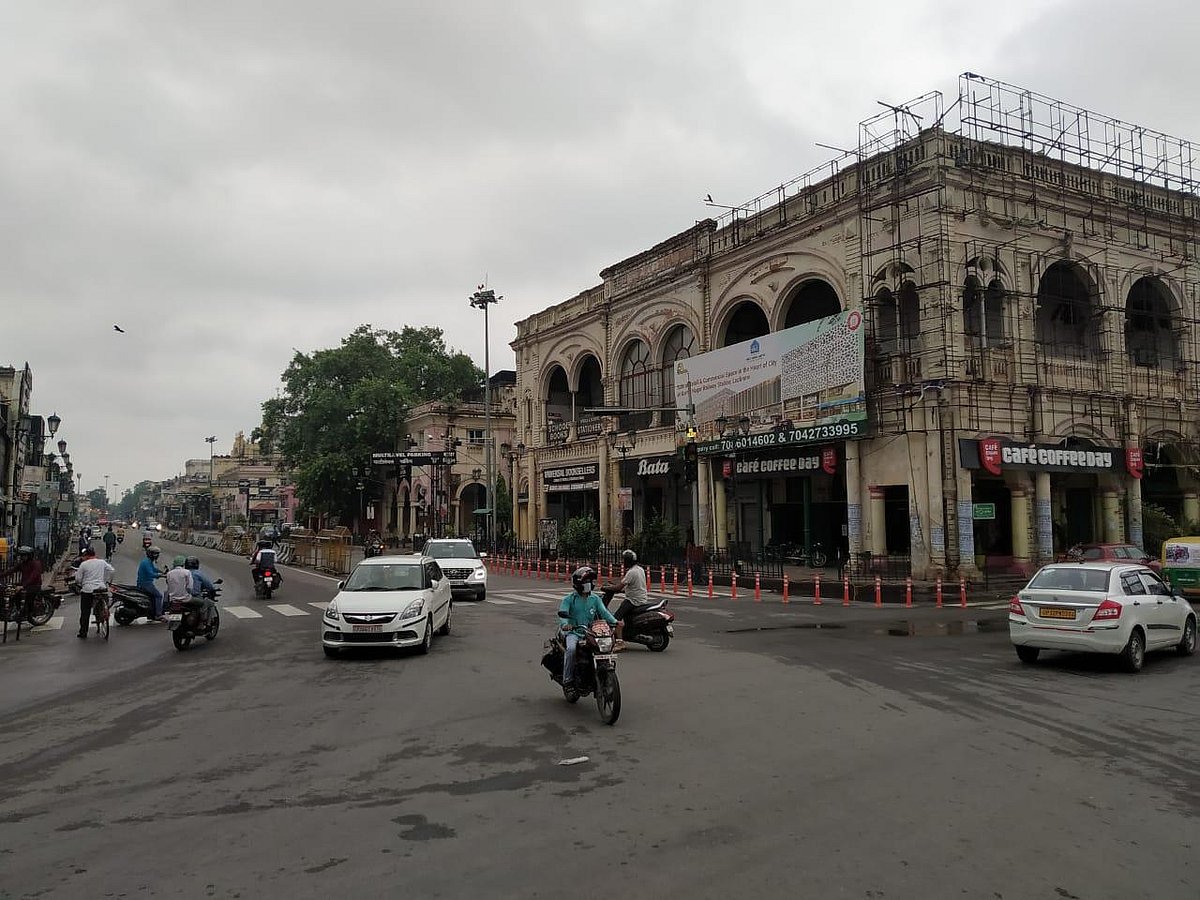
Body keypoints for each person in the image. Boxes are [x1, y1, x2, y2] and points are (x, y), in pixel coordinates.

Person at [557, 565, 618, 699]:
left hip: (590, 632)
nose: (589, 584)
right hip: (574, 633)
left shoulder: (595, 599)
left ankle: (602, 678)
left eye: (590, 581)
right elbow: (562, 615)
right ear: (578, 584)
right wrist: (566, 625)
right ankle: (568, 681)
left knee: (603, 650)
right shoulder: (569, 599)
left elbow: (604, 612)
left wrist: (615, 621)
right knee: (571, 649)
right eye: (586, 582)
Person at [604, 549, 648, 651]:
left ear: (628, 561)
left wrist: (607, 588)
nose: (622, 562)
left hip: (633, 600)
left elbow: (619, 587)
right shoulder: (639, 569)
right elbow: (633, 586)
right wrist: (621, 590)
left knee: (616, 619)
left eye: (624, 560)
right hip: (640, 598)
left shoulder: (631, 572)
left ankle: (620, 642)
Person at [74, 546, 114, 638]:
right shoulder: (102, 562)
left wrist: (81, 583)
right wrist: (109, 582)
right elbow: (112, 570)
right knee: (105, 604)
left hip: (88, 590)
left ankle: (83, 632)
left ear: (86, 555)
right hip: (101, 588)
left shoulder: (84, 564)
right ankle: (104, 614)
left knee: (85, 611)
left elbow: (78, 579)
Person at [1, 546, 44, 615]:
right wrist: (2, 575)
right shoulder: (22, 564)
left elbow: (33, 577)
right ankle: (15, 609)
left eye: (24, 555)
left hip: (34, 585)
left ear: (29, 555)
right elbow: (11, 570)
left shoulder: (36, 564)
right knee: (11, 592)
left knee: (27, 597)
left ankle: (28, 612)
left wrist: (23, 586)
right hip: (24, 584)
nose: (22, 557)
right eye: (21, 555)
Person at [184, 556, 218, 626]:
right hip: (193, 597)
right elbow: (208, 585)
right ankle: (203, 623)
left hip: (179, 597)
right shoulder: (198, 574)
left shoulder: (182, 573)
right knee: (209, 603)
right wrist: (213, 589)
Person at [137, 544, 166, 622]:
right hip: (145, 584)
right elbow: (151, 573)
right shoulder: (146, 562)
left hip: (145, 583)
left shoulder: (148, 561)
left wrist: (162, 572)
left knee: (153, 597)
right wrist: (161, 575)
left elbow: (154, 569)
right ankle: (158, 615)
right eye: (156, 554)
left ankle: (151, 614)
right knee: (159, 596)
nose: (157, 555)